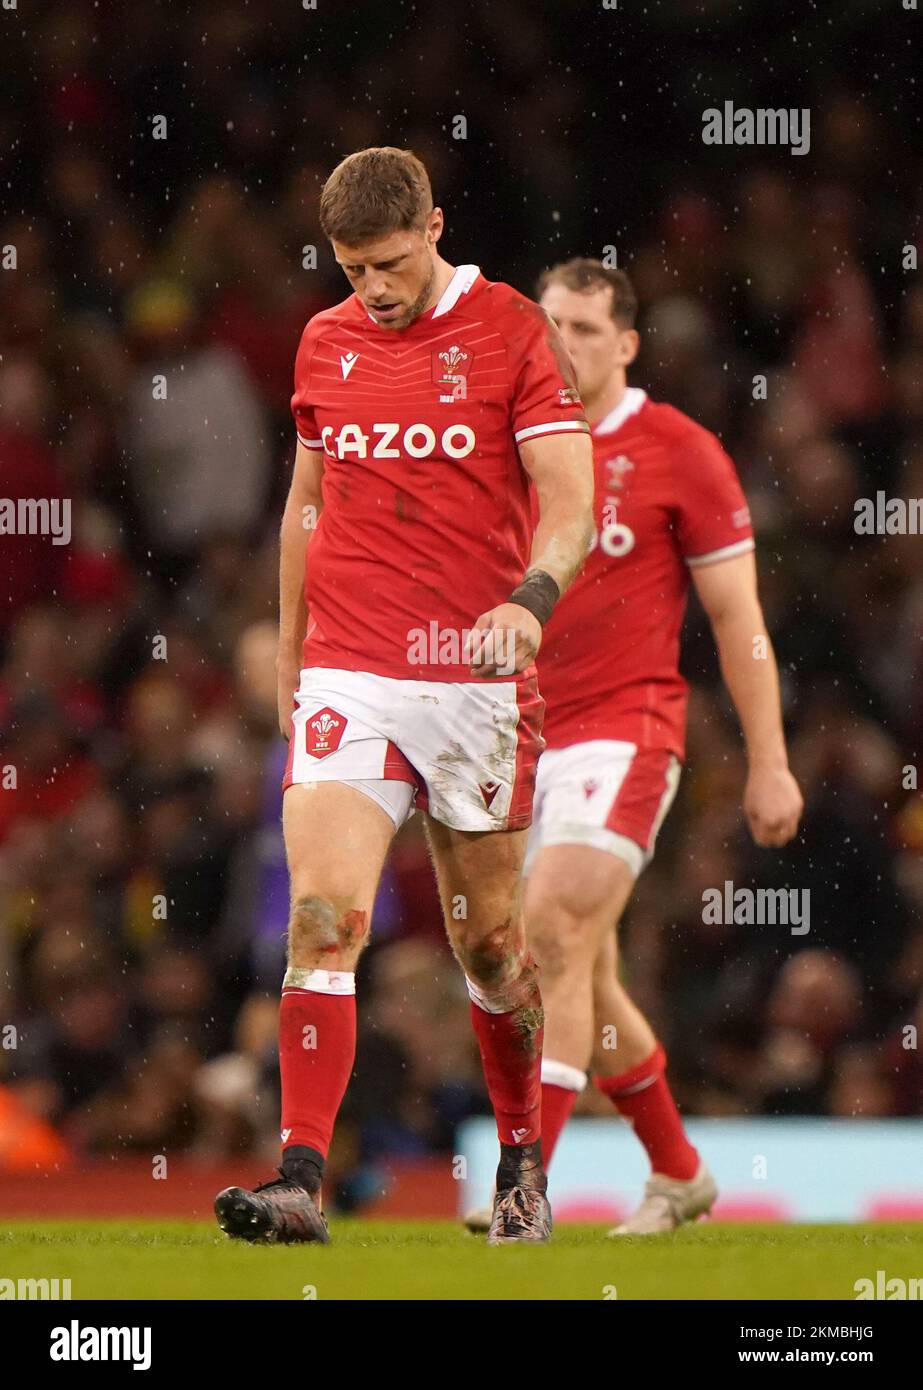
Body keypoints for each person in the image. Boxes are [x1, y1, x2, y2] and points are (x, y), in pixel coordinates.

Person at [214, 149, 594, 1245]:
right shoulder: (324, 340)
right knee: (322, 919)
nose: (371, 290)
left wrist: (532, 596)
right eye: (350, 267)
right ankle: (297, 1177)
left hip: (475, 680)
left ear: (434, 226)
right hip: (351, 668)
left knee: (490, 952)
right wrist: (290, 651)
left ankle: (521, 1161)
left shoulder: (512, 330)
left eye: (386, 264)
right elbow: (305, 503)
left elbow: (570, 493)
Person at [467, 259, 803, 1236]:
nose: (560, 342)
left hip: (624, 731)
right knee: (589, 978)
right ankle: (679, 1172)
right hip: (518, 744)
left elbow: (736, 616)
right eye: (547, 324)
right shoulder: (508, 446)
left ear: (624, 345)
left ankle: (525, 1188)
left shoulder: (676, 450)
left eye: (581, 327)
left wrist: (769, 758)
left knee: (550, 937)